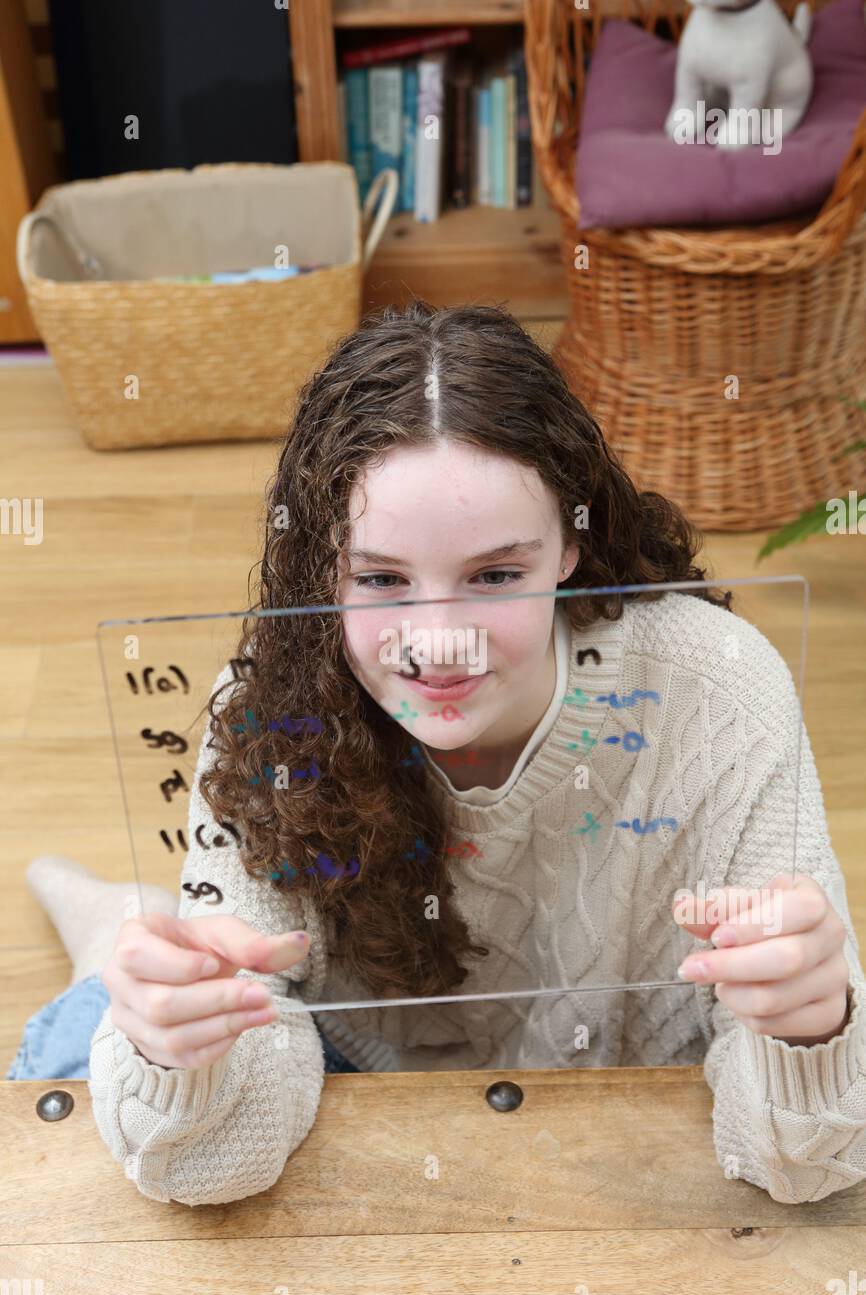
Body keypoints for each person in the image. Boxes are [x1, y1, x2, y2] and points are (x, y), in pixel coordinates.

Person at [14, 301, 866, 1208]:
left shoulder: (724, 692)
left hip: (630, 1079)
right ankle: (115, 935)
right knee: (92, 1064)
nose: (438, 646)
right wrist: (177, 1049)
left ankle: (119, 920)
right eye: (381, 580)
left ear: (573, 542)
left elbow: (804, 1167)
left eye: (496, 575)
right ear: (321, 569)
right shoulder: (269, 716)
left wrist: (813, 1033)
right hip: (362, 1067)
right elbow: (210, 1165)